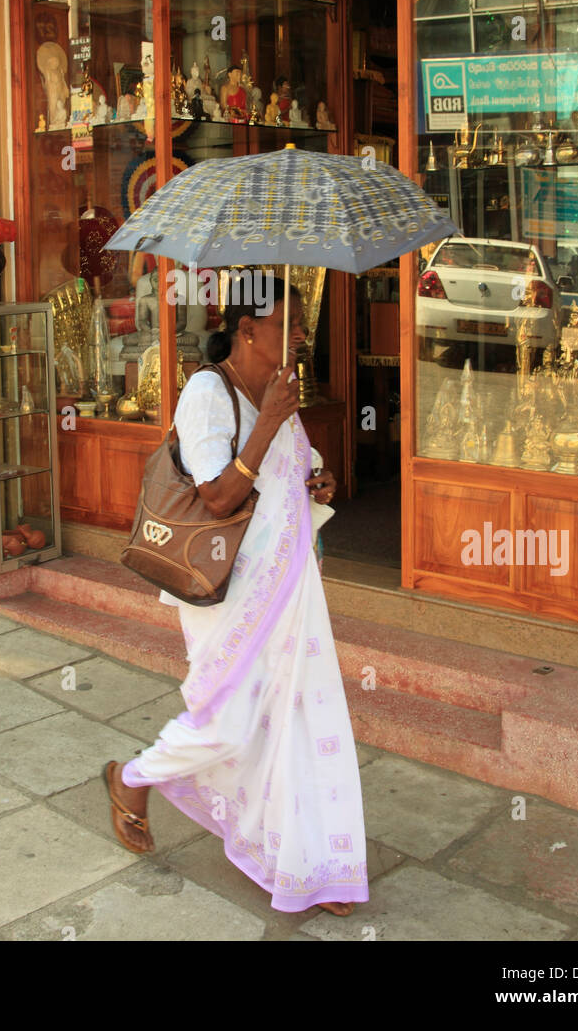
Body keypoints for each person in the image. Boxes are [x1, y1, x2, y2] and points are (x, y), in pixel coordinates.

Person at [104, 273, 369, 916]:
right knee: (228, 722)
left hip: (289, 585)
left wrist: (321, 479)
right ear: (247, 328)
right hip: (227, 589)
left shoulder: (281, 393)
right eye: (288, 324)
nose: (300, 336)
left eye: (302, 325)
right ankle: (132, 777)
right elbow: (218, 494)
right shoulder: (206, 393)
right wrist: (271, 419)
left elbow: (295, 475)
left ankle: (313, 862)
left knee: (302, 720)